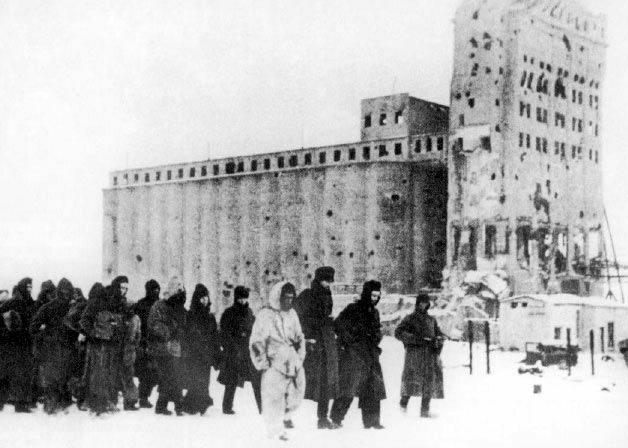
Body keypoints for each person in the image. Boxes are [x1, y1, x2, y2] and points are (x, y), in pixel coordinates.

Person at [249, 281, 305, 441]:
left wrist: (300, 355)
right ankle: (275, 433)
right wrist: (263, 363)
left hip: (292, 363)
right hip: (274, 364)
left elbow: (299, 336)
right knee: (273, 399)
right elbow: (257, 341)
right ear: (278, 297)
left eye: (291, 298)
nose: (289, 301)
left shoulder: (292, 314)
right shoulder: (266, 315)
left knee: (297, 392)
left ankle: (286, 416)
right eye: (285, 297)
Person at [330, 280, 386, 429]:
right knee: (349, 387)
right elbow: (337, 325)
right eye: (373, 295)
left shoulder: (375, 312)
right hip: (353, 355)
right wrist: (350, 340)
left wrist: (377, 336)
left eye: (377, 296)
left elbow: (376, 330)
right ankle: (336, 419)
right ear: (367, 294)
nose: (375, 298)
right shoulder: (353, 308)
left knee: (373, 388)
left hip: (371, 354)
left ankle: (372, 421)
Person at [294, 266, 339, 429]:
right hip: (314, 343)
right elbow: (298, 317)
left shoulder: (327, 294)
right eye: (326, 281)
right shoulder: (307, 295)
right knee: (306, 380)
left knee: (326, 381)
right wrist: (308, 336)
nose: (328, 284)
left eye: (330, 282)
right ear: (319, 279)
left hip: (327, 341)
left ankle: (323, 418)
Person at [80, 278, 128, 415]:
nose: (124, 291)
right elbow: (84, 320)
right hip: (99, 345)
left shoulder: (121, 303)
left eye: (126, 289)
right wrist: (95, 334)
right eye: (122, 288)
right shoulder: (99, 300)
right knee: (98, 375)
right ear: (115, 287)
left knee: (111, 375)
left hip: (114, 344)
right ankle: (96, 405)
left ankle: (108, 402)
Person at [29, 278, 76, 414]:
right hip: (61, 349)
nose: (66, 294)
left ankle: (53, 408)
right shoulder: (71, 308)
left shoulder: (49, 307)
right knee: (59, 380)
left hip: (56, 349)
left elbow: (33, 328)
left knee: (54, 380)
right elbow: (33, 328)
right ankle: (57, 408)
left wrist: (44, 333)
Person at [394, 293, 444, 417]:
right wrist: (415, 339)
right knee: (412, 381)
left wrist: (438, 339)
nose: (424, 305)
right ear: (417, 304)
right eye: (421, 303)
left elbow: (438, 334)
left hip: (429, 355)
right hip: (414, 355)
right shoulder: (410, 318)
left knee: (428, 382)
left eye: (426, 303)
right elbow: (398, 332)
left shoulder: (431, 320)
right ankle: (402, 407)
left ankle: (425, 411)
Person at [218, 285, 261, 415]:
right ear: (236, 298)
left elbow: (256, 329)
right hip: (234, 352)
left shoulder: (249, 313)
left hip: (248, 351)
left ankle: (262, 408)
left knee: (256, 379)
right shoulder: (228, 313)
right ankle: (227, 407)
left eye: (245, 298)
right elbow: (224, 334)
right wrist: (232, 347)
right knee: (231, 381)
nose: (243, 301)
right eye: (240, 299)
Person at [148, 277, 186, 416]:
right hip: (162, 348)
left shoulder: (179, 308)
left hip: (175, 347)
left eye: (181, 289)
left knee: (172, 377)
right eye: (177, 289)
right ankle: (176, 406)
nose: (180, 292)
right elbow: (153, 324)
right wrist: (169, 331)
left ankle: (164, 406)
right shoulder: (159, 305)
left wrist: (179, 332)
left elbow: (183, 326)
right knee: (170, 377)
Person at [181, 284, 221, 415]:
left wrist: (217, 354)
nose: (204, 300)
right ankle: (194, 406)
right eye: (201, 297)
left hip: (206, 355)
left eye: (206, 297)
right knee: (195, 381)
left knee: (204, 381)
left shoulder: (210, 317)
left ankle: (198, 405)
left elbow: (215, 337)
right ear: (196, 299)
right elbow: (188, 335)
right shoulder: (190, 315)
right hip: (194, 355)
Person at [0, 278, 37, 412]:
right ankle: (19, 404)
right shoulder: (12, 303)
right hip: (13, 344)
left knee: (21, 374)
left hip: (23, 343)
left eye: (30, 287)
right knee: (16, 374)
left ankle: (19, 403)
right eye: (27, 287)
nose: (29, 290)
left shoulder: (30, 304)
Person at [133, 279, 161, 408]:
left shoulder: (161, 305)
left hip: (156, 343)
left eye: (157, 290)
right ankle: (142, 398)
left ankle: (143, 396)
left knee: (154, 373)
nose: (156, 292)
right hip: (144, 343)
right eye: (154, 290)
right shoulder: (140, 305)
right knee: (145, 373)